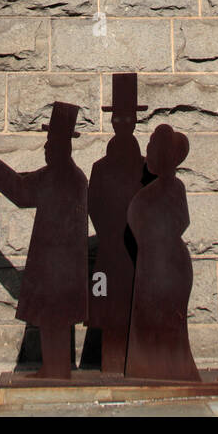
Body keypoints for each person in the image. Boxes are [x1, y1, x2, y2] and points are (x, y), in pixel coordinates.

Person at [0, 101, 87, 379]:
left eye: (50, 142)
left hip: (54, 264)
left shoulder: (57, 177)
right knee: (57, 320)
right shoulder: (75, 177)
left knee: (53, 319)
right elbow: (25, 187)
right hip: (65, 264)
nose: (46, 148)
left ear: (63, 145)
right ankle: (57, 367)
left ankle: (55, 368)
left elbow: (23, 192)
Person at [125, 123, 200, 382]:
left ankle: (173, 371)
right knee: (151, 320)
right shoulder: (154, 191)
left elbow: (181, 221)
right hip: (152, 263)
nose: (147, 152)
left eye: (151, 147)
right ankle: (151, 369)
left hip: (167, 266)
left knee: (169, 322)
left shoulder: (172, 188)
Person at [87, 73, 147, 374]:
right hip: (110, 251)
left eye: (127, 119)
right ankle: (111, 364)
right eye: (118, 119)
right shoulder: (100, 168)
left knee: (135, 309)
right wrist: (110, 235)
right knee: (109, 309)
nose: (122, 124)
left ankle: (137, 363)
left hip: (138, 252)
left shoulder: (146, 166)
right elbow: (93, 206)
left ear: (135, 122)